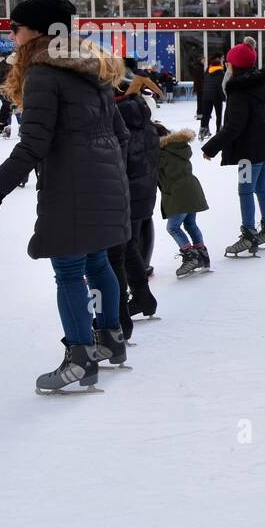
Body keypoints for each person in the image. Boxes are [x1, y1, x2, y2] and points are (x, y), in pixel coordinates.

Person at [0, 0, 131, 393]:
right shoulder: (91, 69)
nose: (12, 34)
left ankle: (80, 358)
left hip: (71, 186)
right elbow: (121, 134)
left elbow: (33, 144)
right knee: (97, 262)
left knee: (67, 270)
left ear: (38, 31)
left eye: (16, 27)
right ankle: (110, 339)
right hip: (105, 181)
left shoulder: (43, 73)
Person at [202, 40, 265, 256]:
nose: (226, 67)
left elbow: (234, 126)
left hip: (250, 152)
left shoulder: (239, 91)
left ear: (235, 66)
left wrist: (211, 147)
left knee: (245, 190)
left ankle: (249, 234)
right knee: (262, 188)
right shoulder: (264, 82)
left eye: (229, 63)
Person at [111, 59, 160, 328]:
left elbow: (117, 163)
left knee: (117, 251)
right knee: (127, 246)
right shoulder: (144, 120)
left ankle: (120, 309)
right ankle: (142, 296)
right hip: (144, 193)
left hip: (125, 195)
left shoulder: (120, 125)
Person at [156, 123, 211, 277]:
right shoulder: (178, 147)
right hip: (192, 189)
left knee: (172, 227)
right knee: (190, 224)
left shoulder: (161, 154)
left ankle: (190, 256)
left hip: (178, 193)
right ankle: (202, 255)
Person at [199, 53, 225, 141]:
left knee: (206, 114)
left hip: (206, 96)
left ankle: (203, 130)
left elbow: (204, 83)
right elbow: (220, 86)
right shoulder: (220, 72)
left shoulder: (208, 71)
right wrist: (223, 97)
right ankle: (218, 131)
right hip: (216, 96)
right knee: (218, 114)